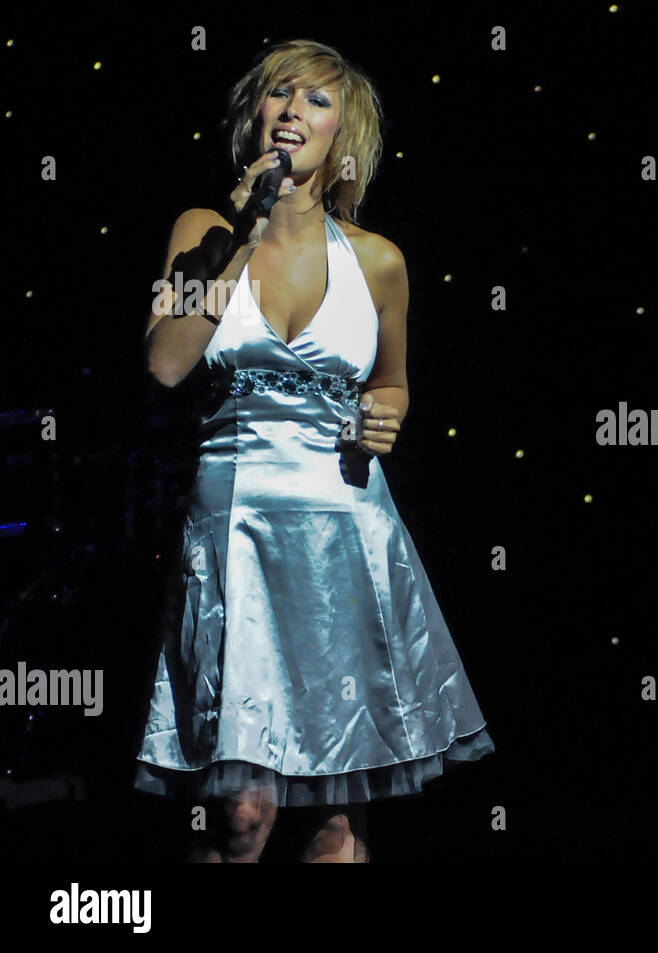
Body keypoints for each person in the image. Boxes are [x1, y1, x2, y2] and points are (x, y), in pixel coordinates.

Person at [138, 39, 494, 862]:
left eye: (318, 101)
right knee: (240, 812)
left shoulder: (378, 261)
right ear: (255, 117)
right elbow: (165, 362)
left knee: (335, 816)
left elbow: (393, 382)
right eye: (281, 94)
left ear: (344, 139)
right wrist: (242, 231)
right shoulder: (205, 232)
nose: (295, 110)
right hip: (240, 531)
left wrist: (385, 415)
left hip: (347, 530)